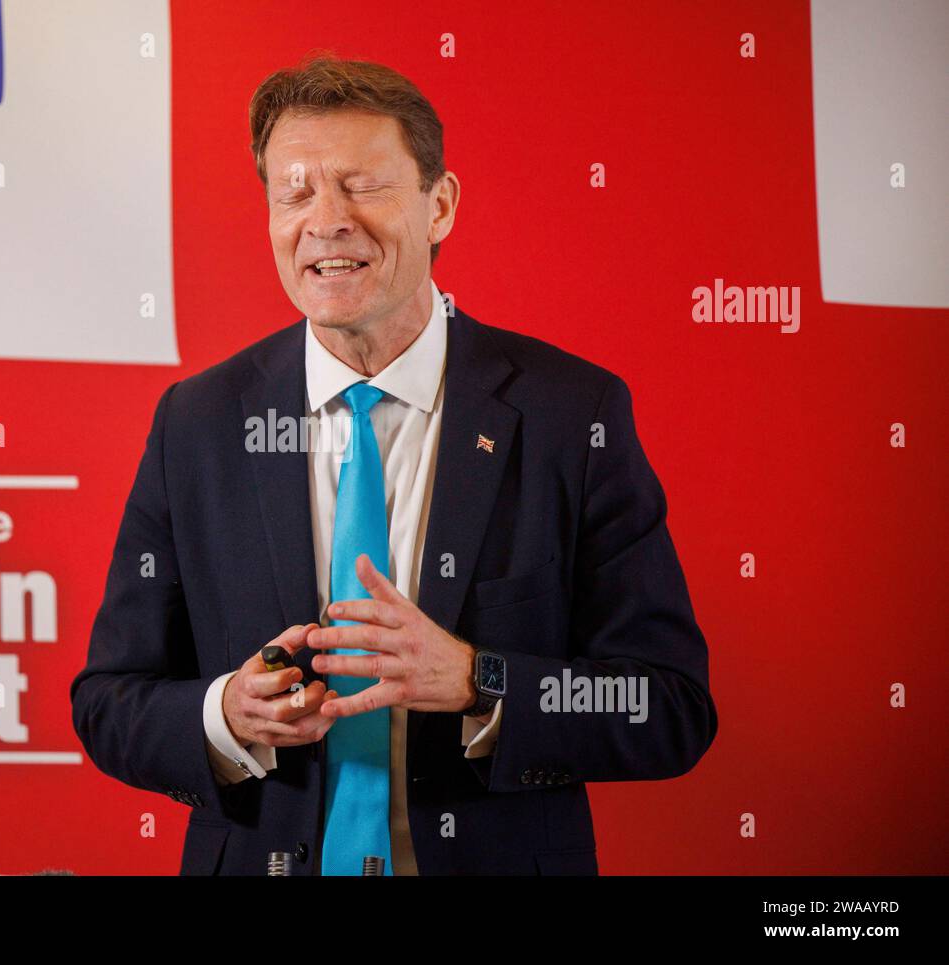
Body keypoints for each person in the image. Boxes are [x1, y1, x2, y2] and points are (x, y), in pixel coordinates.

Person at [69, 55, 716, 875]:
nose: (326, 221)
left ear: (440, 205)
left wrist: (480, 680)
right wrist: (225, 712)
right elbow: (108, 701)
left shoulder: (571, 414)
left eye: (363, 186)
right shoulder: (195, 423)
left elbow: (666, 705)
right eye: (295, 191)